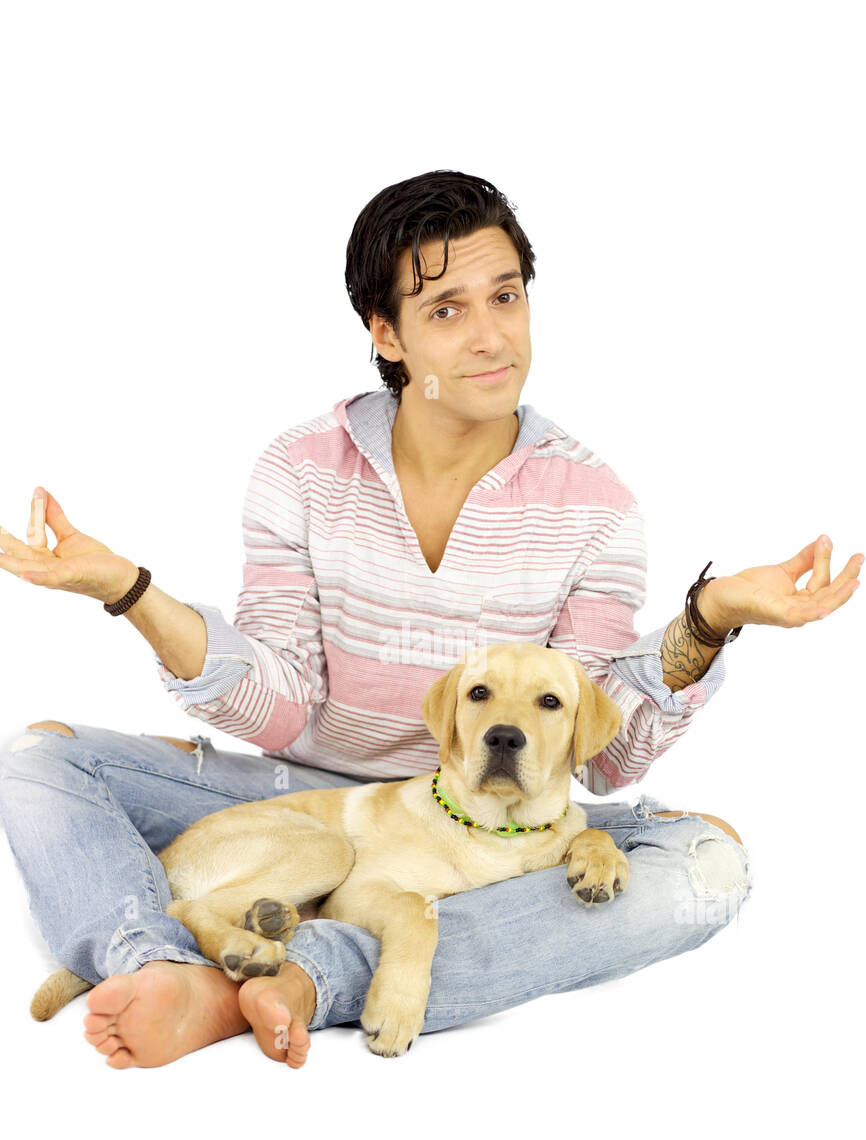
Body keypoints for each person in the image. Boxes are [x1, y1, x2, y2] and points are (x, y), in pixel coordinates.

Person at [0, 170, 860, 1070]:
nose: (492, 337)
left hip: (510, 827)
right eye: (446, 310)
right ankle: (165, 958)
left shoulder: (594, 503)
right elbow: (282, 705)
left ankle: (281, 975)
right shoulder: (301, 467)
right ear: (386, 334)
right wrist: (131, 591)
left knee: (707, 869)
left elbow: (601, 755)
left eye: (506, 297)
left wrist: (712, 617)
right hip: (312, 799)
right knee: (41, 762)